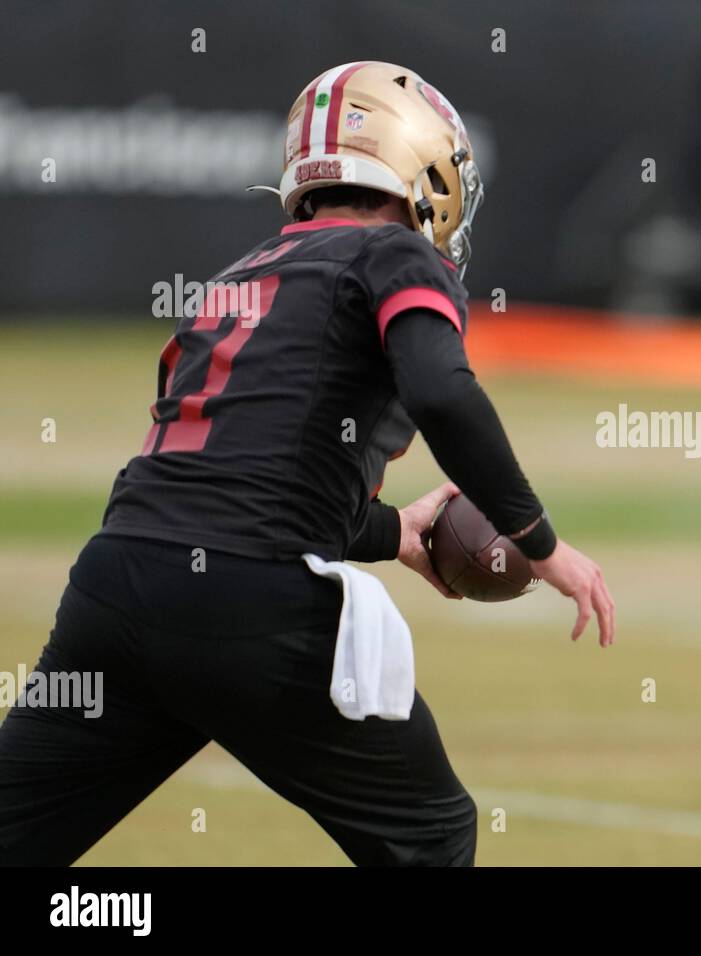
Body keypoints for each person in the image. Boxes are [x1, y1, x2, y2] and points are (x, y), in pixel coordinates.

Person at [0, 60, 614, 866]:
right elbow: (443, 393)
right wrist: (540, 541)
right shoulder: (395, 254)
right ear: (422, 170)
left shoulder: (235, 278)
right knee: (432, 835)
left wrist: (392, 533)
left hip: (113, 588)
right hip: (247, 603)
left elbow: (227, 476)